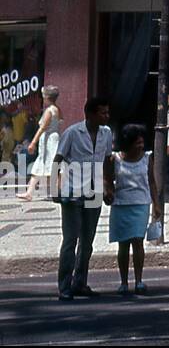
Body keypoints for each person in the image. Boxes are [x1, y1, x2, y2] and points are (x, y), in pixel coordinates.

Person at [52, 97, 113, 301]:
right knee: (71, 239)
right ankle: (64, 286)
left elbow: (106, 161)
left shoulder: (106, 133)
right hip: (72, 192)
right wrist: (54, 190)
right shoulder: (72, 132)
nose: (106, 116)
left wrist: (108, 187)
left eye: (107, 112)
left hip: (94, 191)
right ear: (90, 114)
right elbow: (57, 160)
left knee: (88, 241)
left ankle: (80, 282)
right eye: (102, 113)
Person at [104, 123, 161, 295]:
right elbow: (107, 179)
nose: (141, 146)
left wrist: (156, 204)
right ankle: (123, 282)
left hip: (141, 204)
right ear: (128, 143)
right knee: (123, 245)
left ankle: (139, 280)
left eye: (142, 142)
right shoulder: (115, 159)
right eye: (137, 143)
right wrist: (108, 192)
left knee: (138, 242)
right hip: (121, 205)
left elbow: (151, 182)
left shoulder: (147, 158)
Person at [17, 85, 61, 202]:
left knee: (49, 165)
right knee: (45, 165)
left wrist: (33, 142)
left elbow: (42, 128)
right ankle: (30, 192)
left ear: (47, 97)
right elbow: (60, 122)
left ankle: (55, 192)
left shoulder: (49, 111)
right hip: (52, 139)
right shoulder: (57, 109)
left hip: (48, 141)